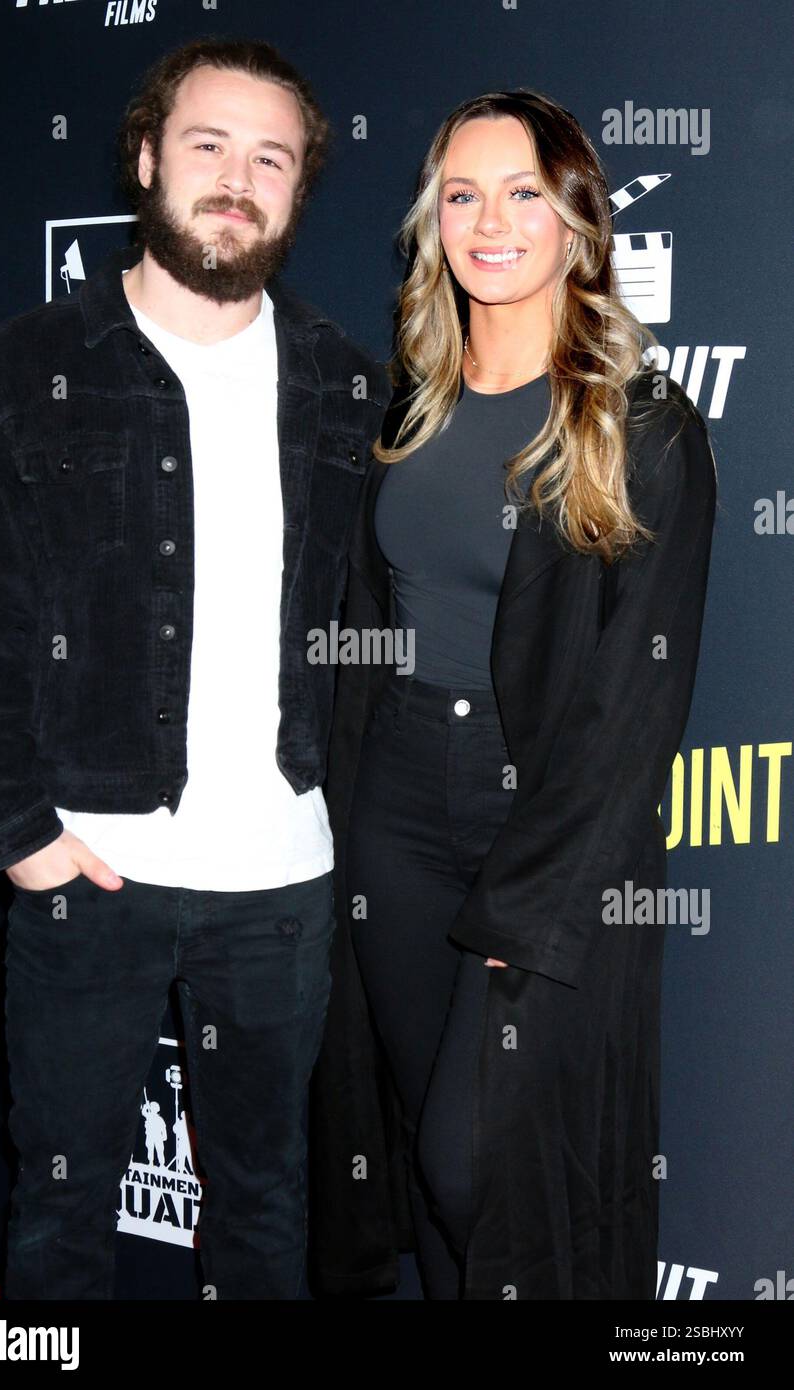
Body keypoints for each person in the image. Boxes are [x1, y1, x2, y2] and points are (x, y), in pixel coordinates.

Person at [0, 38, 389, 1299]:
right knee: (60, 1214)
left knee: (260, 1210)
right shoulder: (20, 370)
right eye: (208, 146)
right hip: (90, 877)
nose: (237, 179)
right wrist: (26, 839)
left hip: (283, 886)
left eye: (270, 158)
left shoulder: (347, 389)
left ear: (296, 190)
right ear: (145, 158)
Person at [309, 89, 718, 1300]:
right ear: (431, 218)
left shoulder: (639, 427)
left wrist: (524, 916)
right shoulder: (403, 402)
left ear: (576, 217)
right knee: (412, 1164)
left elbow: (629, 714)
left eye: (521, 192)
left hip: (540, 828)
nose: (488, 221)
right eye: (460, 193)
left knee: (473, 1159)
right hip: (391, 815)